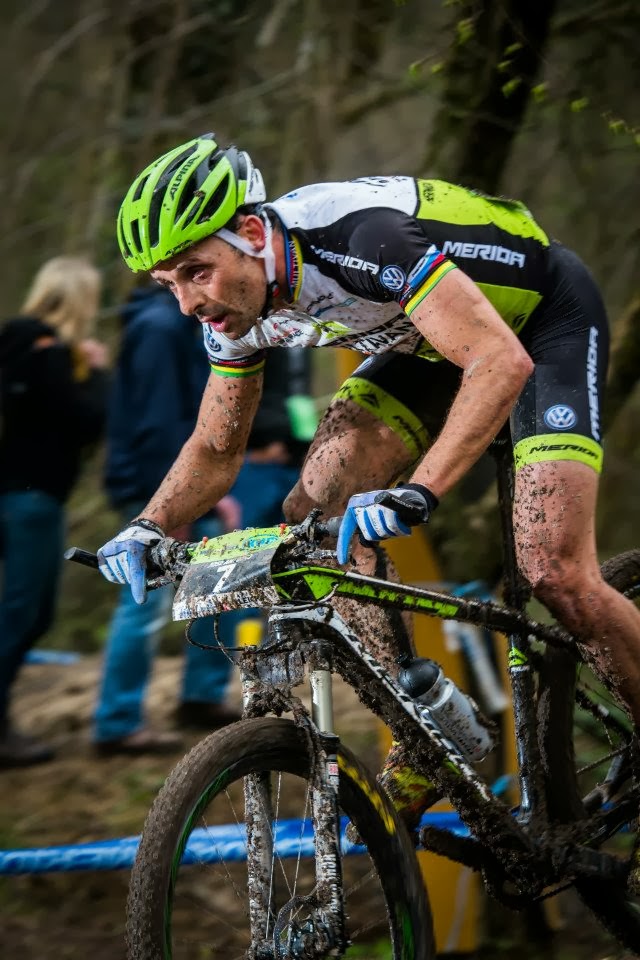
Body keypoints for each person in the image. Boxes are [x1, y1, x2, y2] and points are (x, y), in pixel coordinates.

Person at [97, 133, 640, 833]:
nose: (187, 303)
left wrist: (421, 489)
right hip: (421, 341)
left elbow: (498, 362)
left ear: (253, 235)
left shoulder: (356, 237)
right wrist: (147, 524)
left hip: (537, 325)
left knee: (554, 570)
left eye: (196, 272)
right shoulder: (235, 310)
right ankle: (424, 730)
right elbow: (216, 446)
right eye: (168, 284)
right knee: (314, 516)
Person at [93, 281, 242, 756]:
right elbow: (159, 423)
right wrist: (171, 510)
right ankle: (117, 723)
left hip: (171, 483)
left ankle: (200, 698)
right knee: (144, 602)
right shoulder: (159, 327)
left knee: (215, 585)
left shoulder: (167, 325)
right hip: (155, 490)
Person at [0, 256, 109, 767]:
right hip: (33, 499)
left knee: (20, 611)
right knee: (27, 613)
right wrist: (98, 373)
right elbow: (87, 420)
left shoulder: (14, 347)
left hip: (15, 495)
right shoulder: (49, 353)